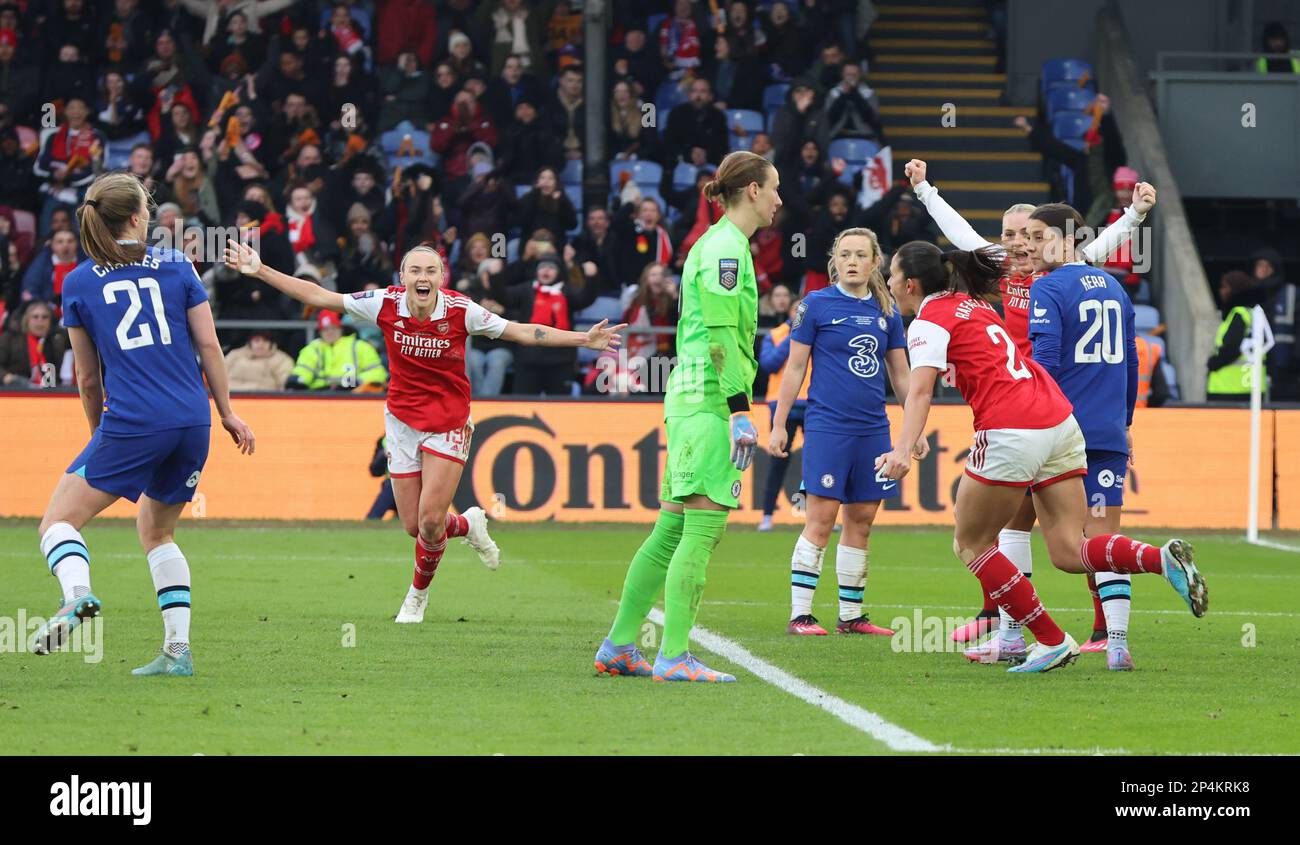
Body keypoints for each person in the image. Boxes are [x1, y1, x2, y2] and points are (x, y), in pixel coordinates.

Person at [224, 239, 625, 624]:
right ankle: (468, 525)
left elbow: (521, 331)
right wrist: (260, 270)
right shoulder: (384, 302)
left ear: (441, 278)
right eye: (415, 269)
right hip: (400, 422)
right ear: (402, 276)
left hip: (448, 422)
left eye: (430, 270)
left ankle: (416, 596)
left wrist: (582, 339)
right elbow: (318, 296)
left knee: (431, 522)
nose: (423, 276)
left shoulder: (462, 311)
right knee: (414, 526)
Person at [878, 241, 1207, 673]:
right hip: (1060, 422)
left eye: (892, 274)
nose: (888, 282)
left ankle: (1051, 640)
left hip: (1013, 430)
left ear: (911, 284)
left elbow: (921, 391)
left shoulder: (928, 320)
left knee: (971, 542)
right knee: (1070, 550)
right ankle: (1159, 559)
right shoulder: (973, 304)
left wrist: (903, 448)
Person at [905, 157, 1153, 646]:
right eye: (1009, 233)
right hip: (1021, 406)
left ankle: (1077, 629)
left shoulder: (1057, 274)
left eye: (1027, 233)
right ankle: (1007, 623)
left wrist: (1134, 216)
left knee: (1070, 527)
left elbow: (1096, 247)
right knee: (1018, 523)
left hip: (1045, 409)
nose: (1018, 243)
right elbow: (960, 233)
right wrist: (925, 190)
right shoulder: (1005, 269)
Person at [28, 172, 255, 677]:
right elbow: (211, 348)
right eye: (147, 209)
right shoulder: (177, 266)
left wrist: (98, 437)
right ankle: (178, 653)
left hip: (135, 420)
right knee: (158, 532)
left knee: (57, 523)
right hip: (192, 420)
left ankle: (77, 596)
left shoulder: (79, 281)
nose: (151, 215)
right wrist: (227, 412)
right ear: (135, 217)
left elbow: (88, 378)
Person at [595, 150, 781, 683]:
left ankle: (619, 645)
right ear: (751, 191)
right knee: (703, 527)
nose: (778, 199)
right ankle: (674, 656)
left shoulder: (717, 244)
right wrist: (739, 411)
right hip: (709, 400)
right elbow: (723, 336)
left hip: (691, 395)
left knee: (671, 529)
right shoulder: (726, 249)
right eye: (773, 188)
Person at [769, 228, 928, 636]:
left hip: (873, 430)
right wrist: (778, 424)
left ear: (876, 261)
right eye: (845, 254)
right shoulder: (815, 306)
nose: (852, 261)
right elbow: (794, 368)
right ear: (834, 261)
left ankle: (851, 616)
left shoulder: (888, 311)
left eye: (860, 254)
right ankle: (800, 614)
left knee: (861, 521)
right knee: (820, 520)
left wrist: (915, 429)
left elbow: (901, 373)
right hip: (827, 427)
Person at [1021, 203, 1141, 670]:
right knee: (1105, 538)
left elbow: (1046, 359)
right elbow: (1130, 360)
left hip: (1061, 434)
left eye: (1037, 237)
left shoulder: (1048, 287)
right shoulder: (1115, 286)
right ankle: (1116, 644)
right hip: (1109, 432)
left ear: (1068, 239)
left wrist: (1028, 413)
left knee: (1047, 542)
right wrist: (1125, 421)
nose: (1029, 247)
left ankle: (1014, 634)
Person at [756, 284, 806, 530]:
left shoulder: (819, 334)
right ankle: (767, 516)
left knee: (817, 461)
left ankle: (813, 514)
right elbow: (769, 364)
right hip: (782, 404)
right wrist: (794, 335)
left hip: (812, 402)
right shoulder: (775, 334)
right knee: (778, 461)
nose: (799, 315)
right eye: (796, 310)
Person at [286, 309, 388, 391]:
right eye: (325, 329)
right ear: (320, 332)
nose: (330, 332)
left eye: (333, 328)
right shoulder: (313, 348)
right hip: (319, 395)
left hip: (352, 395)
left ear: (340, 329)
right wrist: (298, 379)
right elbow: (303, 369)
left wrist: (356, 381)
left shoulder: (360, 346)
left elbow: (378, 372)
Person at [1206, 269, 1268, 403]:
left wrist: (1213, 363)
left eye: (1225, 287)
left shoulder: (1238, 314)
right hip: (1253, 388)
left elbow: (1232, 347)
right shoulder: (1254, 314)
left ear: (1235, 289)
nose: (1221, 291)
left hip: (1228, 388)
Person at [0, 300, 67, 387]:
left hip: (48, 391)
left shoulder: (57, 340)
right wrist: (7, 377)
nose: (40, 321)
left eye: (45, 317)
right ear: (27, 320)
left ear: (50, 321)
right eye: (35, 317)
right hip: (15, 391)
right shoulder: (10, 338)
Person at [224, 330, 294, 391]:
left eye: (265, 341)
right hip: (233, 398)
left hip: (265, 400)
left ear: (271, 344)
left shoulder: (282, 360)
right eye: (257, 340)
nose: (260, 344)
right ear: (250, 343)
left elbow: (284, 384)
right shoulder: (234, 356)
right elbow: (220, 377)